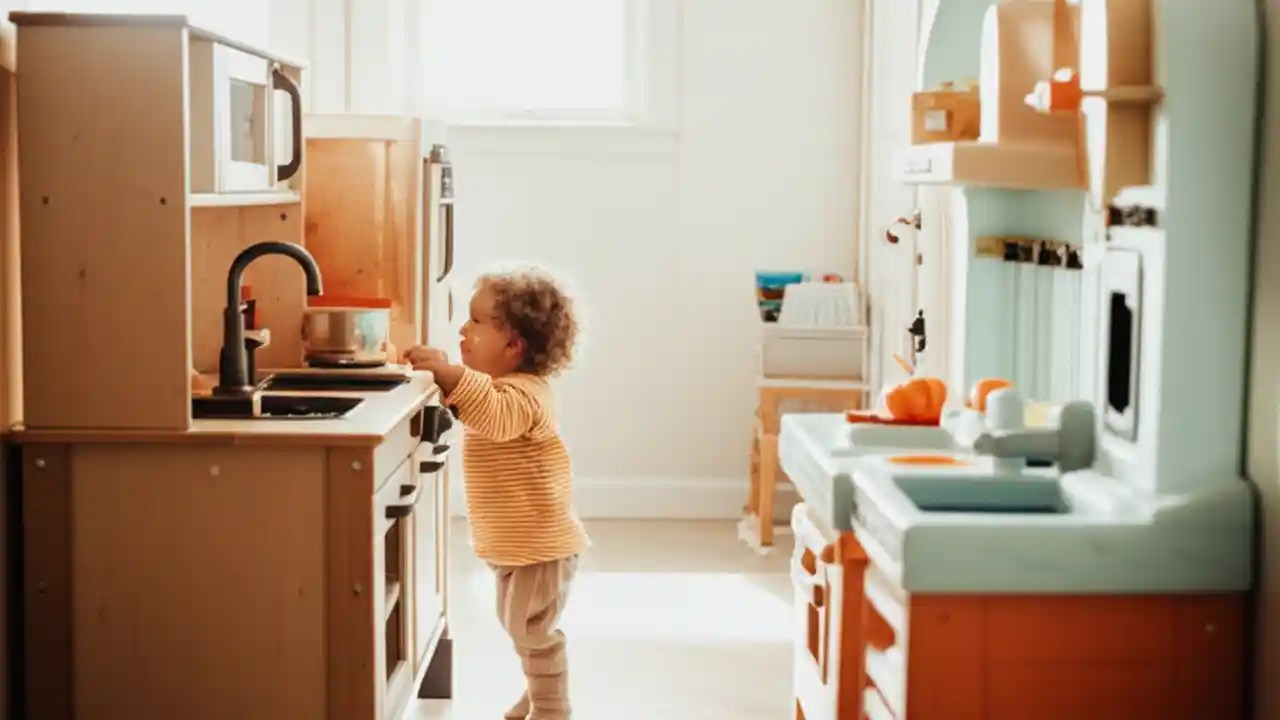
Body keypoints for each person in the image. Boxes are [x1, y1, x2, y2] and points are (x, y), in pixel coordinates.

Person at [403, 265, 589, 720]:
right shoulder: (498, 386)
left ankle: (552, 706)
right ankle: (537, 692)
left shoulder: (526, 395)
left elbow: (496, 416)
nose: (464, 330)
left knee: (532, 630)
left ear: (513, 346)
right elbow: (479, 400)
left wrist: (449, 375)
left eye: (477, 322)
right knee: (521, 626)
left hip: (541, 547)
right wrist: (443, 374)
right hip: (518, 546)